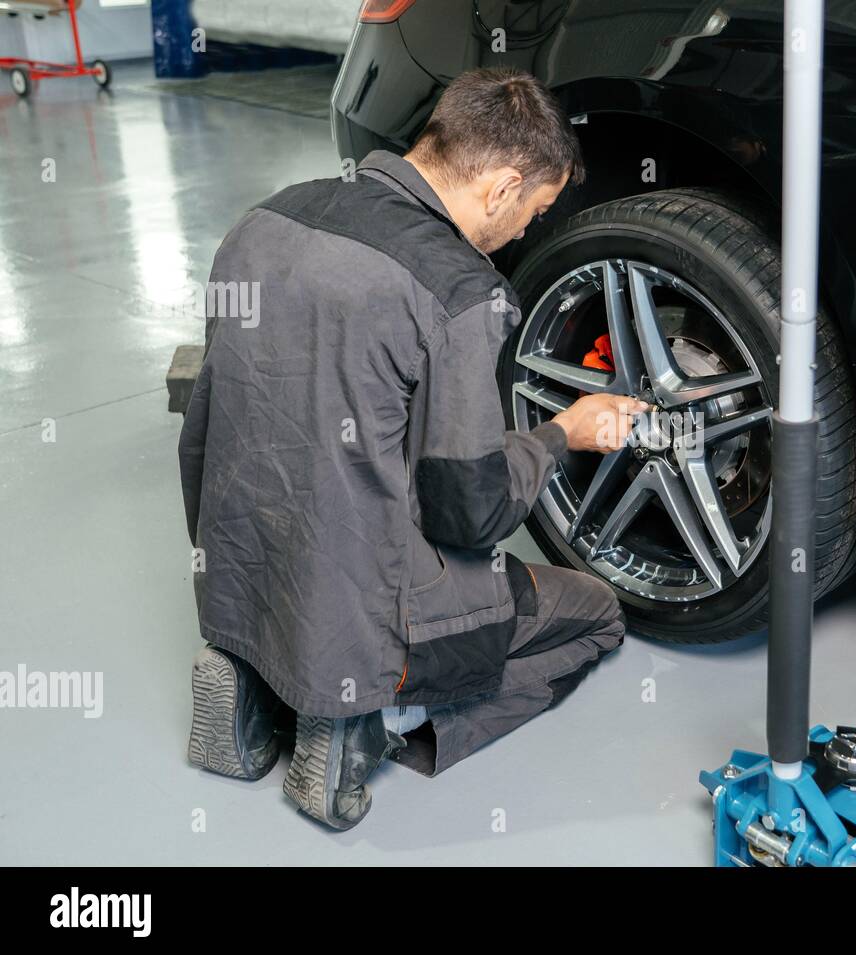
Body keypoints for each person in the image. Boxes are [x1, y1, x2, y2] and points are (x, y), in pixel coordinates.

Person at [178, 67, 645, 830]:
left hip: (238, 573)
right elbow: (468, 512)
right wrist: (564, 435)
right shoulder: (458, 292)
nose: (526, 231)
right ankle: (367, 719)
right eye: (534, 210)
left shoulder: (265, 219)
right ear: (500, 187)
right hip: (368, 610)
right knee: (594, 613)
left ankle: (247, 673)